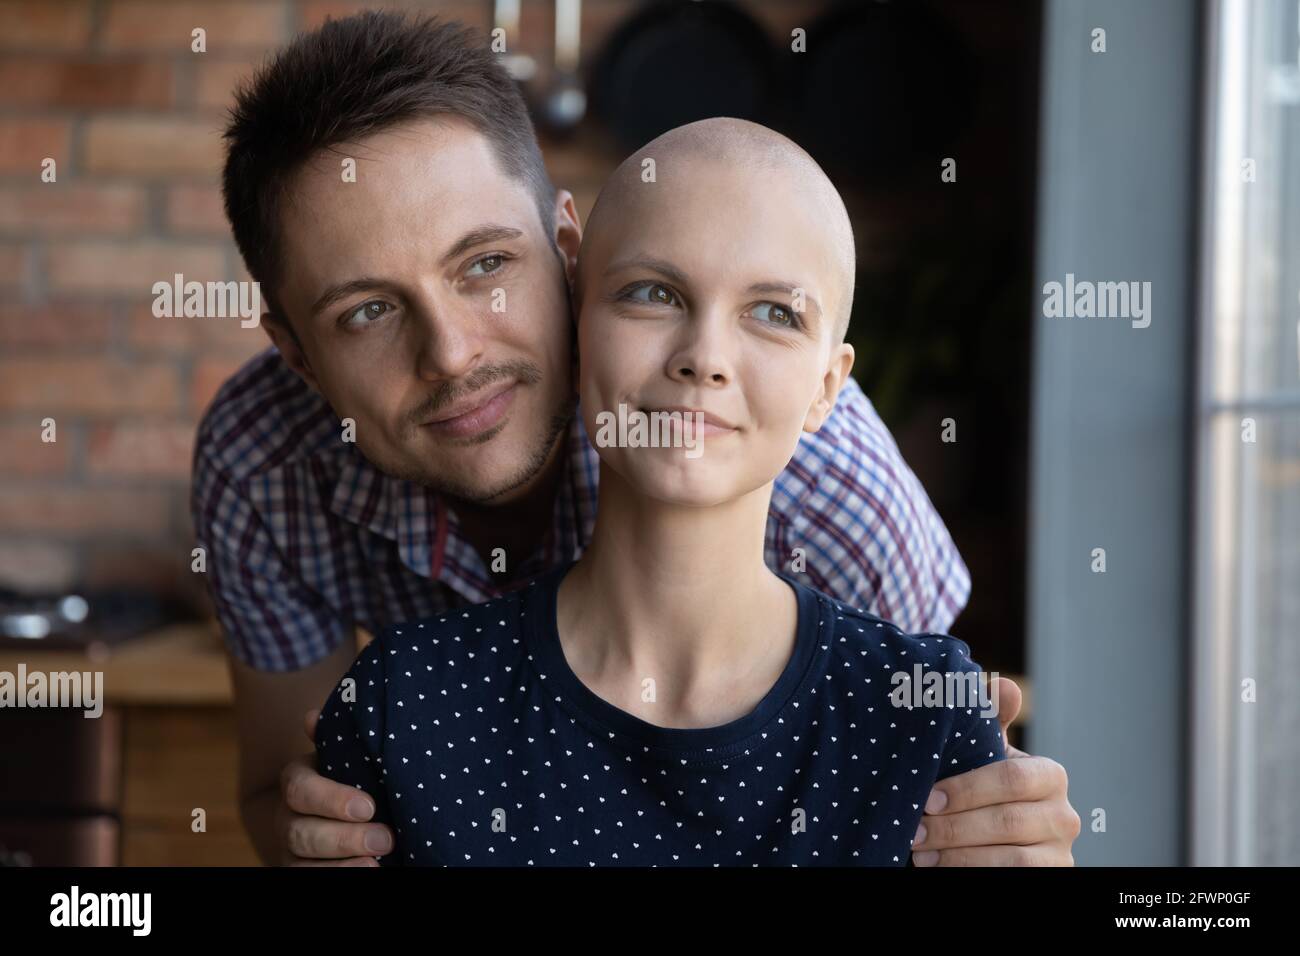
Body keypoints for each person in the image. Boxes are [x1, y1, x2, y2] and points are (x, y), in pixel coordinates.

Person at [194, 10, 1079, 866]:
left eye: (486, 265)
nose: (451, 354)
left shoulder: (825, 487)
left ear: (567, 253)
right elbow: (282, 794)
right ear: (299, 357)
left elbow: (901, 771)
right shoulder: (262, 464)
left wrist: (1006, 826)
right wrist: (322, 839)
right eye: (369, 312)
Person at [314, 116, 1006, 865]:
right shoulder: (406, 698)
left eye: (774, 314)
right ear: (574, 318)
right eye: (652, 293)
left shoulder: (925, 706)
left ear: (826, 390)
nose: (705, 356)